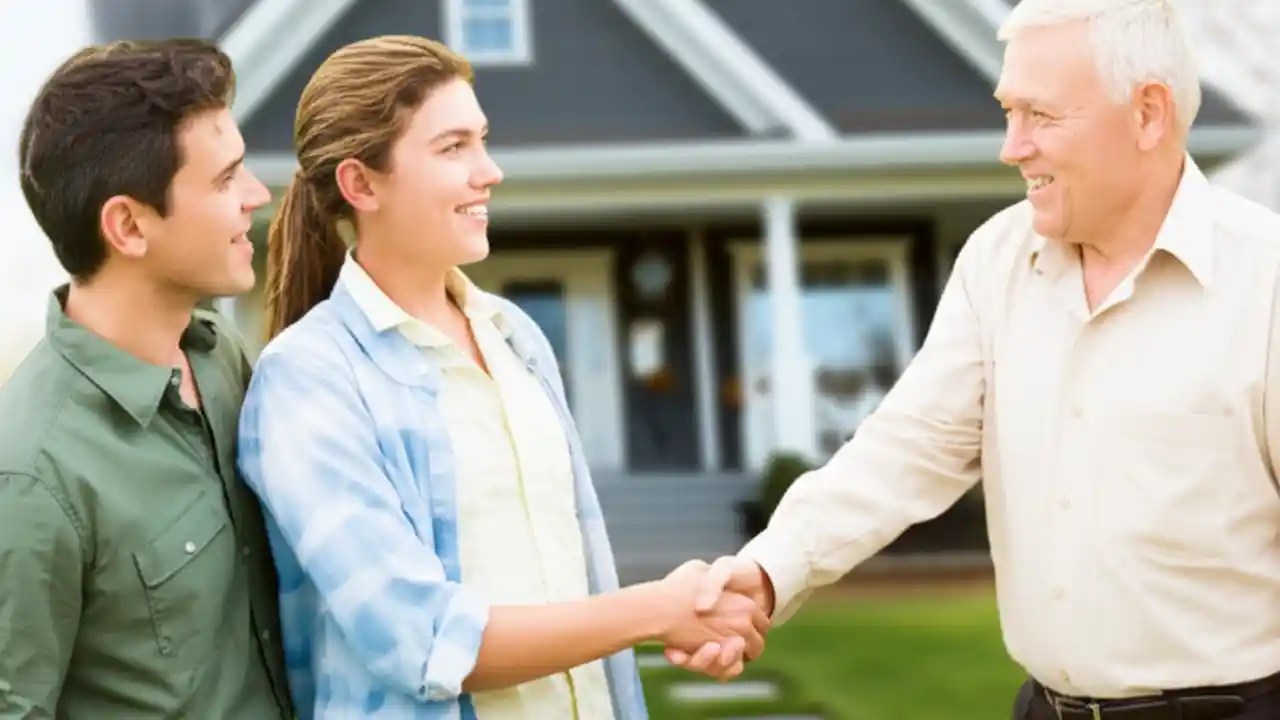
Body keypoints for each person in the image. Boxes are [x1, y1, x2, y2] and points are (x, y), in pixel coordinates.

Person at [676, 0, 1280, 717]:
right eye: (1007, 112)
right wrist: (767, 572)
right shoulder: (997, 261)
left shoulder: (1263, 282)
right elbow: (906, 450)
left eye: (1041, 116)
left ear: (1148, 113)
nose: (1011, 147)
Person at [235, 35, 764, 720]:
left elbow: (571, 579)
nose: (490, 172)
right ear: (361, 184)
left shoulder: (517, 338)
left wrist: (684, 620)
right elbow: (421, 639)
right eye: (453, 147)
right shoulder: (307, 380)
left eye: (482, 140)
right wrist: (657, 611)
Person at [0, 39, 292, 718]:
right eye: (225, 179)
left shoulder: (225, 362)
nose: (256, 195)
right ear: (128, 226)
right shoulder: (33, 475)